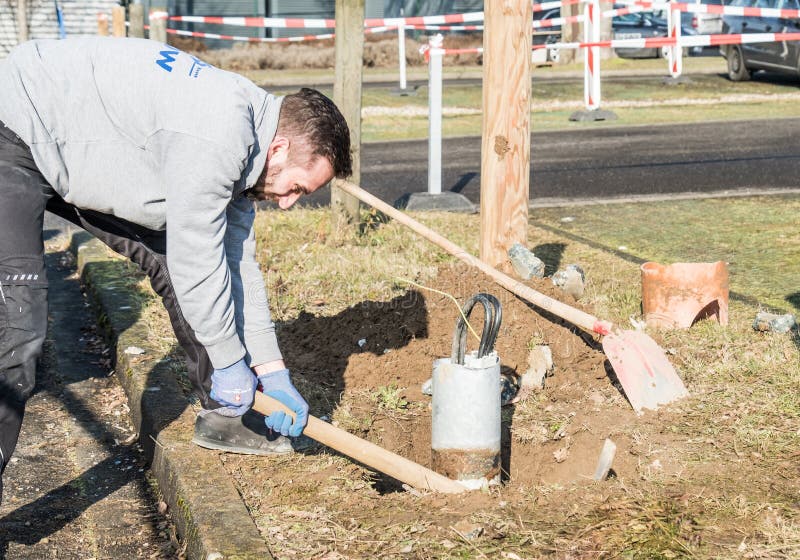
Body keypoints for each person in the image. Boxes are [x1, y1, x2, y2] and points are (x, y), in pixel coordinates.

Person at [0, 36, 352, 502]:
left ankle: (228, 413)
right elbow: (197, 256)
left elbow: (236, 265)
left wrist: (271, 370)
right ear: (280, 149)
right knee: (18, 323)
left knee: (179, 264)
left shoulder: (249, 144)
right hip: (16, 125)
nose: (287, 204)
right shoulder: (219, 135)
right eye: (296, 188)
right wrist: (229, 360)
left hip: (70, 147)